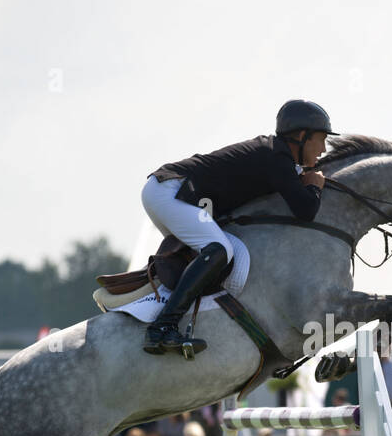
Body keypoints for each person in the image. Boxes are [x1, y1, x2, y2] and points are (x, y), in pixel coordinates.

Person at [141, 99, 335, 356]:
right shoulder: (278, 157)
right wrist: (314, 186)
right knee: (219, 249)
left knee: (228, 256)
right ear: (301, 136)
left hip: (173, 193)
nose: (323, 149)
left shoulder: (278, 157)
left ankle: (190, 324)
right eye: (321, 139)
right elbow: (306, 211)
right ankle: (162, 327)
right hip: (170, 191)